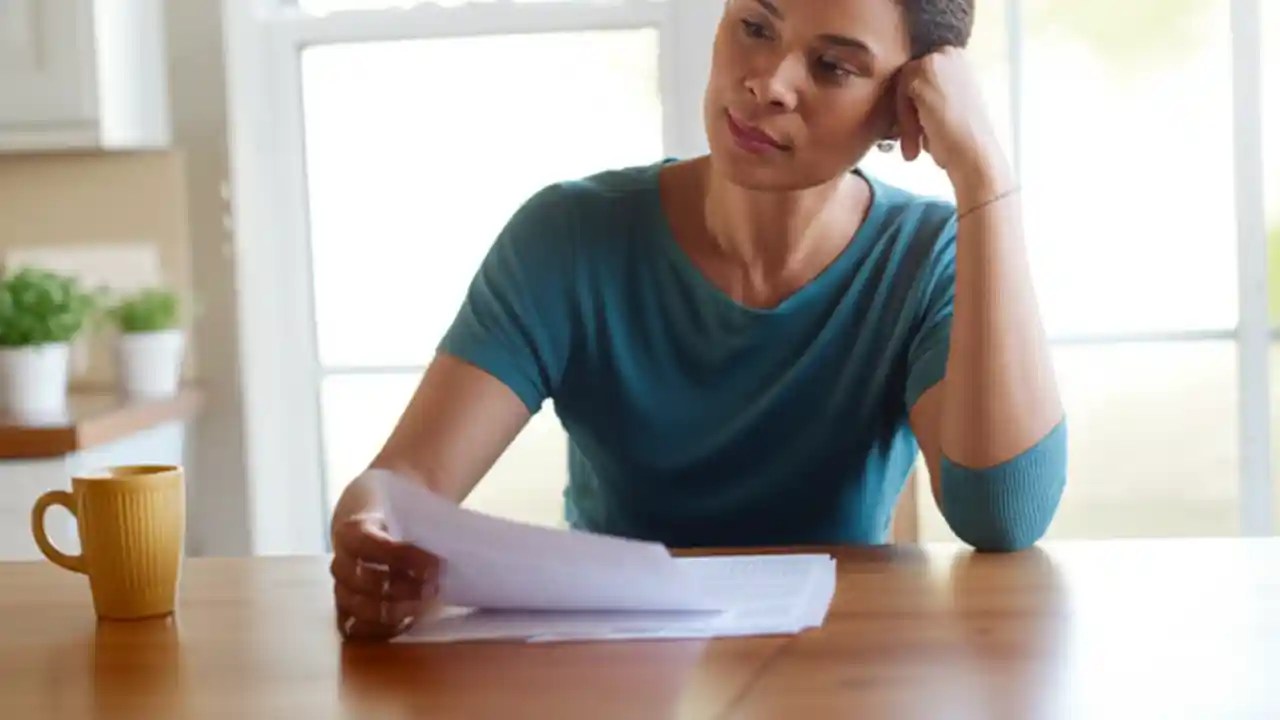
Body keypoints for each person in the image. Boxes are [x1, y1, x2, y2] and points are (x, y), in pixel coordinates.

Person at [328, 0, 1067, 641]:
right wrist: (374, 528)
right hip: (611, 668)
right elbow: (406, 481)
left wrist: (984, 175)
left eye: (834, 67)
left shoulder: (924, 255)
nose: (769, 83)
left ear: (907, 104)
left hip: (838, 667)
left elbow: (1001, 514)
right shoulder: (569, 237)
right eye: (753, 26)